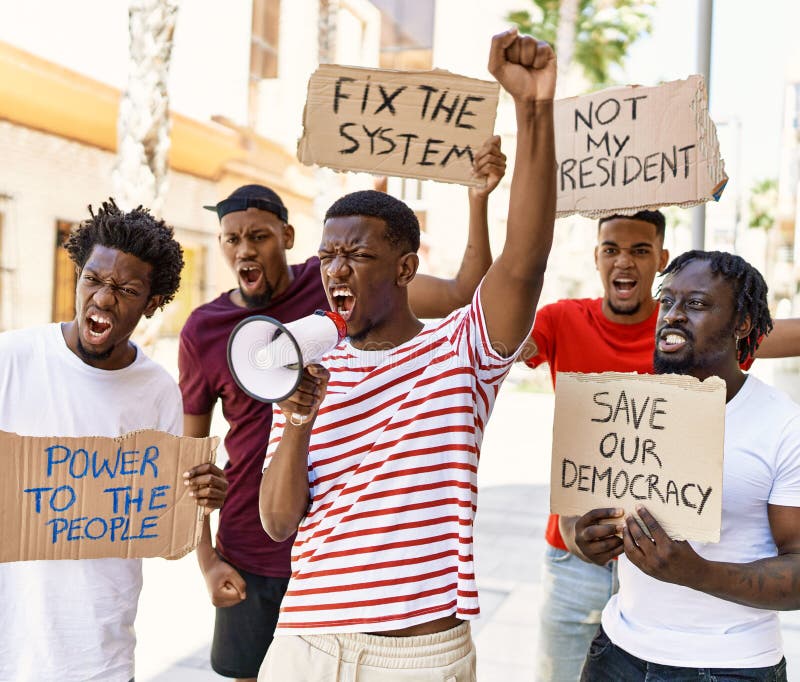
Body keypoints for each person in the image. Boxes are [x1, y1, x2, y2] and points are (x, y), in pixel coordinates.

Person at [256, 28, 556, 681]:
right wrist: (298, 422)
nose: (337, 270)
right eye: (328, 255)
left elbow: (524, 262)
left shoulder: (460, 353)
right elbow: (278, 523)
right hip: (306, 645)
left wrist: (533, 111)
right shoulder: (302, 368)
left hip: (416, 659)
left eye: (358, 255)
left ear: (405, 266)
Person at [179, 142, 506, 679]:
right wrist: (206, 559)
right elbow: (190, 457)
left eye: (258, 236)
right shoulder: (203, 328)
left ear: (287, 238)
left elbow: (462, 294)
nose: (245, 250)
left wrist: (476, 202)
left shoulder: (333, 281)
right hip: (251, 541)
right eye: (232, 239)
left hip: (336, 557)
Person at [523, 210, 800, 682]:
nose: (671, 315)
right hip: (617, 653)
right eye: (667, 301)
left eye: (694, 303)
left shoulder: (783, 424)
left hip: (729, 667)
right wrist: (580, 537)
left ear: (741, 324)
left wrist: (698, 572)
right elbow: (580, 511)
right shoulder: (628, 406)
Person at [0, 200, 226, 682]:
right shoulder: (11, 360)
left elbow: (168, 512)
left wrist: (202, 496)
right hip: (10, 641)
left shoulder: (158, 391)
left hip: (98, 649)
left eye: (126, 289)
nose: (103, 299)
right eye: (94, 280)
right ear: (79, 275)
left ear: (152, 303)